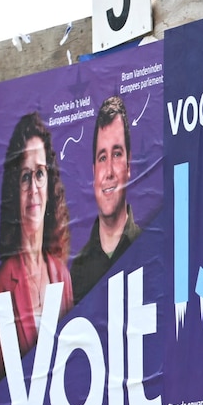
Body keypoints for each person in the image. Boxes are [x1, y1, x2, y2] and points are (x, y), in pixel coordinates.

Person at [0, 111, 73, 381]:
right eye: (25, 176)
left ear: (50, 183)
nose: (34, 188)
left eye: (39, 174)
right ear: (15, 188)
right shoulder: (1, 284)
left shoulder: (63, 277)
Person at [71, 95, 143, 302]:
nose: (109, 171)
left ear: (129, 165)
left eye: (117, 154)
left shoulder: (148, 247)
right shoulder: (78, 270)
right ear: (94, 171)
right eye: (102, 158)